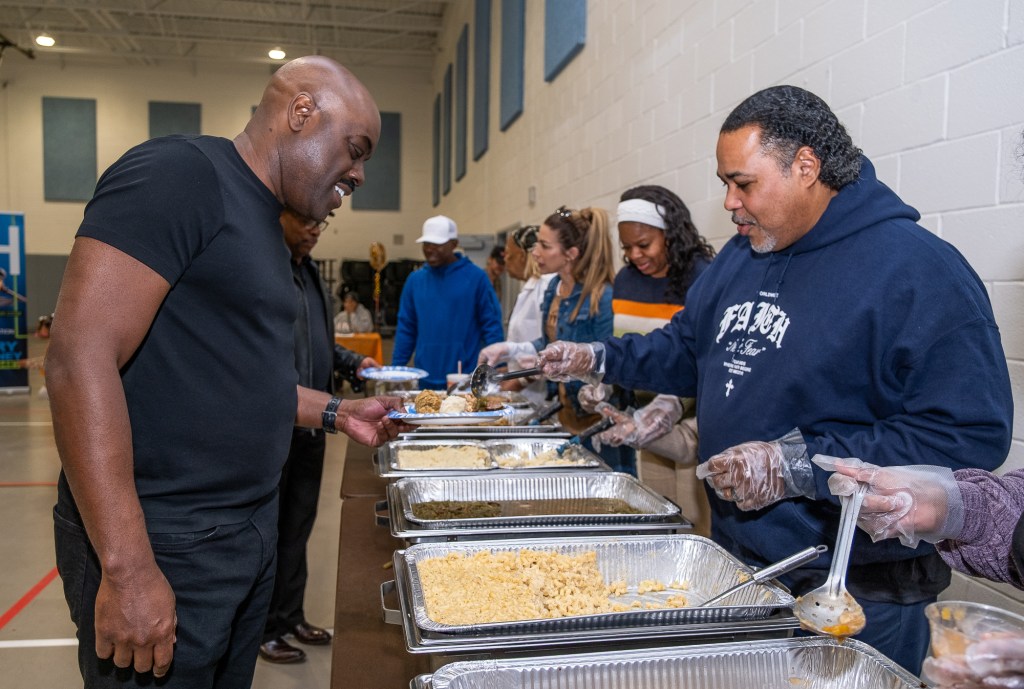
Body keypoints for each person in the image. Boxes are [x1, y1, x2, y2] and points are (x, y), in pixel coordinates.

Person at [534, 85, 1013, 675]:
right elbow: (685, 349)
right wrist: (597, 358)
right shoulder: (743, 256)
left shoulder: (918, 271)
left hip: (855, 588)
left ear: (805, 166)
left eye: (743, 183)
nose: (729, 202)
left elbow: (967, 434)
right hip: (743, 558)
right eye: (724, 183)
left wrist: (796, 465)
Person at [45, 56, 410, 689]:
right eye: (355, 150)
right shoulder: (180, 174)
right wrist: (129, 569)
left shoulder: (265, 224)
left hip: (246, 532)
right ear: (301, 112)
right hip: (167, 540)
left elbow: (239, 380)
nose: (358, 173)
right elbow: (78, 359)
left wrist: (337, 411)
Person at [259, 209, 379, 665]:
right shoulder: (265, 269)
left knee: (297, 530)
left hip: (313, 427)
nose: (314, 230)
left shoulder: (309, 273)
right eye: (307, 221)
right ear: (281, 216)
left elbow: (318, 341)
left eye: (320, 224)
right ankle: (265, 629)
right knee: (270, 534)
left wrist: (351, 362)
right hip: (275, 428)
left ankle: (290, 616)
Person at [579, 185, 715, 533]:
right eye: (627, 248)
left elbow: (707, 355)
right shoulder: (627, 281)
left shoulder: (703, 277)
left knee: (697, 522)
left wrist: (673, 402)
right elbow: (630, 348)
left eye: (644, 245)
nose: (635, 255)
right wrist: (606, 385)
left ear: (670, 234)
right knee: (658, 516)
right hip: (644, 419)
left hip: (695, 424)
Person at [481, 206, 635, 474]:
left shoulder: (602, 296)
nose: (535, 252)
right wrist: (510, 349)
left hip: (600, 422)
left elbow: (613, 356)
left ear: (570, 254)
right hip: (564, 414)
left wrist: (603, 388)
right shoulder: (554, 288)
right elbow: (550, 343)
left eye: (544, 245)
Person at [391, 214, 504, 389]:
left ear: (454, 244)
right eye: (426, 244)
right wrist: (395, 370)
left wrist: (499, 368)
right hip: (425, 378)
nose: (430, 249)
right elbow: (406, 328)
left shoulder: (476, 278)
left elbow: (492, 326)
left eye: (437, 244)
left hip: (465, 379)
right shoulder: (415, 281)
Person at [498, 225, 554, 407]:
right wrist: (508, 369)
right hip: (525, 391)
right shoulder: (529, 288)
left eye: (509, 254)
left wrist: (518, 382)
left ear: (523, 255)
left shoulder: (545, 288)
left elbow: (548, 344)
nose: (505, 259)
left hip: (538, 395)